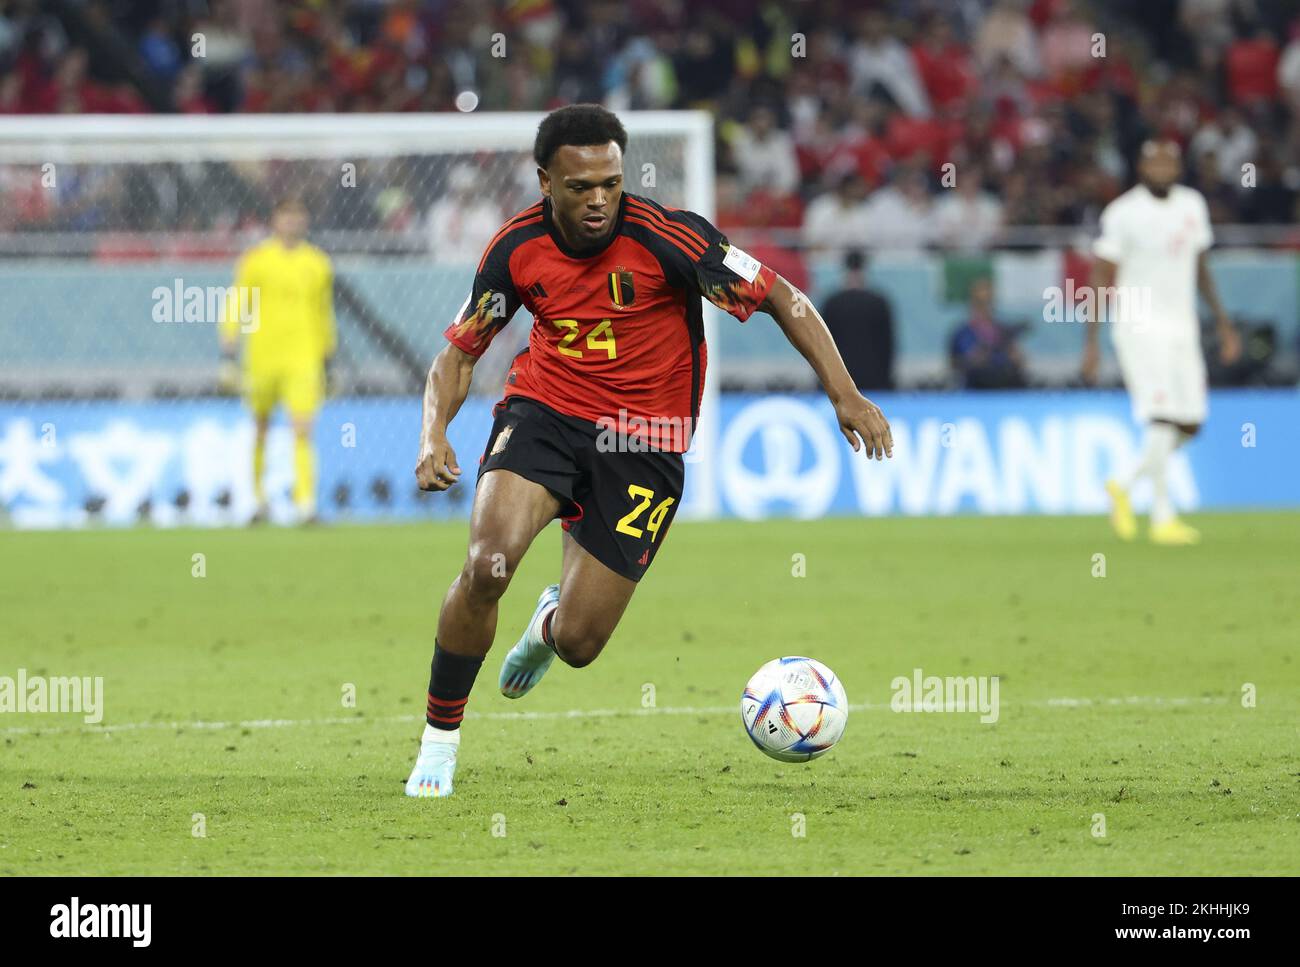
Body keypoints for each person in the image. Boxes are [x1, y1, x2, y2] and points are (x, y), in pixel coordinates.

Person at [405, 104, 894, 797]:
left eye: (611, 181)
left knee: (580, 643)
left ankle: (546, 624)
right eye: (581, 187)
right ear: (546, 181)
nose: (600, 198)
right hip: (544, 414)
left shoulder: (671, 239)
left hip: (646, 443)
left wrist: (844, 393)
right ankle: (439, 742)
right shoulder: (515, 249)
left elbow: (783, 297)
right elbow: (459, 352)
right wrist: (433, 434)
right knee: (486, 566)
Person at [1082, 140, 1241, 545]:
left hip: (1182, 326)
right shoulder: (1123, 213)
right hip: (1138, 325)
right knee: (1163, 417)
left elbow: (1201, 269)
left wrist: (1223, 323)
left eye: (1170, 161)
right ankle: (1162, 517)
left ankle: (1123, 482)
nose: (1163, 168)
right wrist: (1092, 343)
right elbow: (1101, 277)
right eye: (1155, 161)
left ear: (1178, 166)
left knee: (1191, 421)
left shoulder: (1192, 205)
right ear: (1141, 166)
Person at [219, 197, 335, 524]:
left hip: (303, 358)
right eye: (286, 216)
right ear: (274, 220)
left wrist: (329, 360)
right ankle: (257, 501)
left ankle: (305, 504)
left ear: (305, 221)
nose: (292, 223)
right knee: (260, 429)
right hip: (261, 358)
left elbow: (323, 314)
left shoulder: (318, 263)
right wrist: (228, 352)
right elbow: (237, 303)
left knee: (302, 429)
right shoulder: (256, 260)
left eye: (298, 216)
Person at [821, 250, 894, 390]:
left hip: (839, 378)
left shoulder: (832, 303)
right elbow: (887, 345)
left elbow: (822, 345)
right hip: (874, 377)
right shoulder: (879, 302)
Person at [949, 277, 1026, 389]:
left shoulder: (1002, 330)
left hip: (1005, 389)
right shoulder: (962, 334)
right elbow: (954, 364)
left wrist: (1014, 356)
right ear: (972, 303)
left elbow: (1019, 361)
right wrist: (973, 360)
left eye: (988, 302)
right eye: (980, 302)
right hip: (976, 391)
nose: (985, 307)